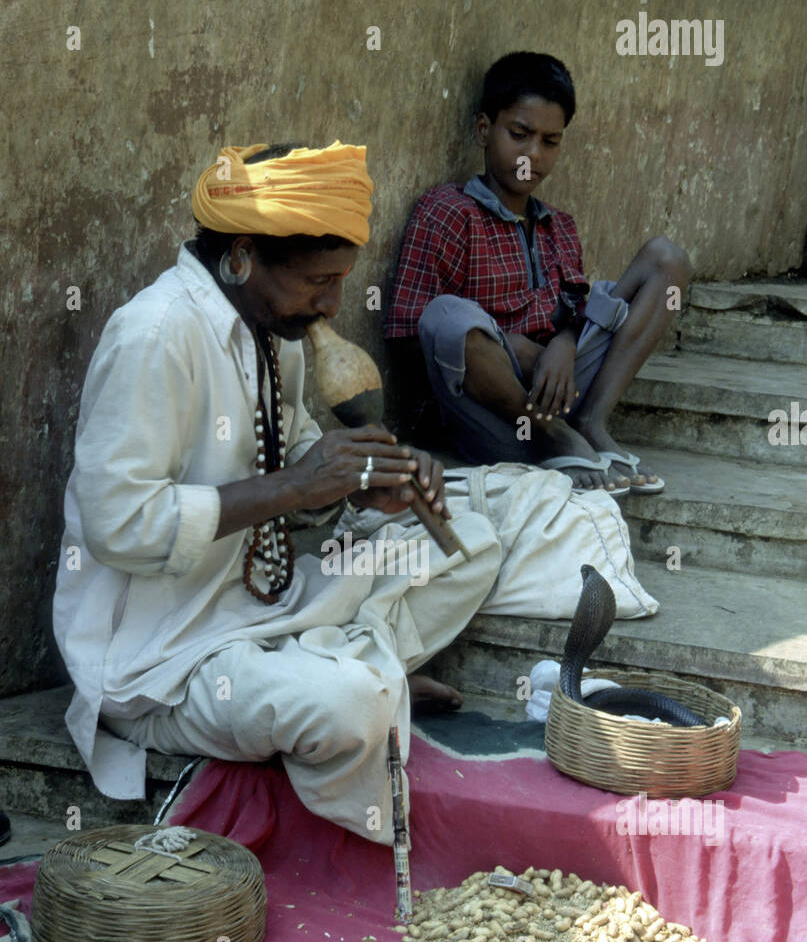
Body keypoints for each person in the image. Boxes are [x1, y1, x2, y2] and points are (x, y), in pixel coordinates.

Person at [52, 140, 658, 845]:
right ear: (243, 255)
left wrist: (361, 485)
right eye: (317, 280)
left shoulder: (270, 325)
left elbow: (296, 448)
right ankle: (369, 675)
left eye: (340, 280)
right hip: (163, 660)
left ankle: (361, 661)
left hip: (264, 606)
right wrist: (296, 485)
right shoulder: (155, 336)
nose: (332, 302)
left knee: (466, 543)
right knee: (353, 705)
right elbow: (119, 523)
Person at [385, 52, 692, 494]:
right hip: (495, 414)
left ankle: (591, 421)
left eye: (550, 141)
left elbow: (575, 308)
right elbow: (409, 336)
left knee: (666, 259)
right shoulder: (446, 213)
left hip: (561, 387)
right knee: (447, 316)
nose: (534, 154)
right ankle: (551, 435)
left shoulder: (559, 226)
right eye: (520, 134)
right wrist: (514, 348)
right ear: (483, 130)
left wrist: (563, 346)